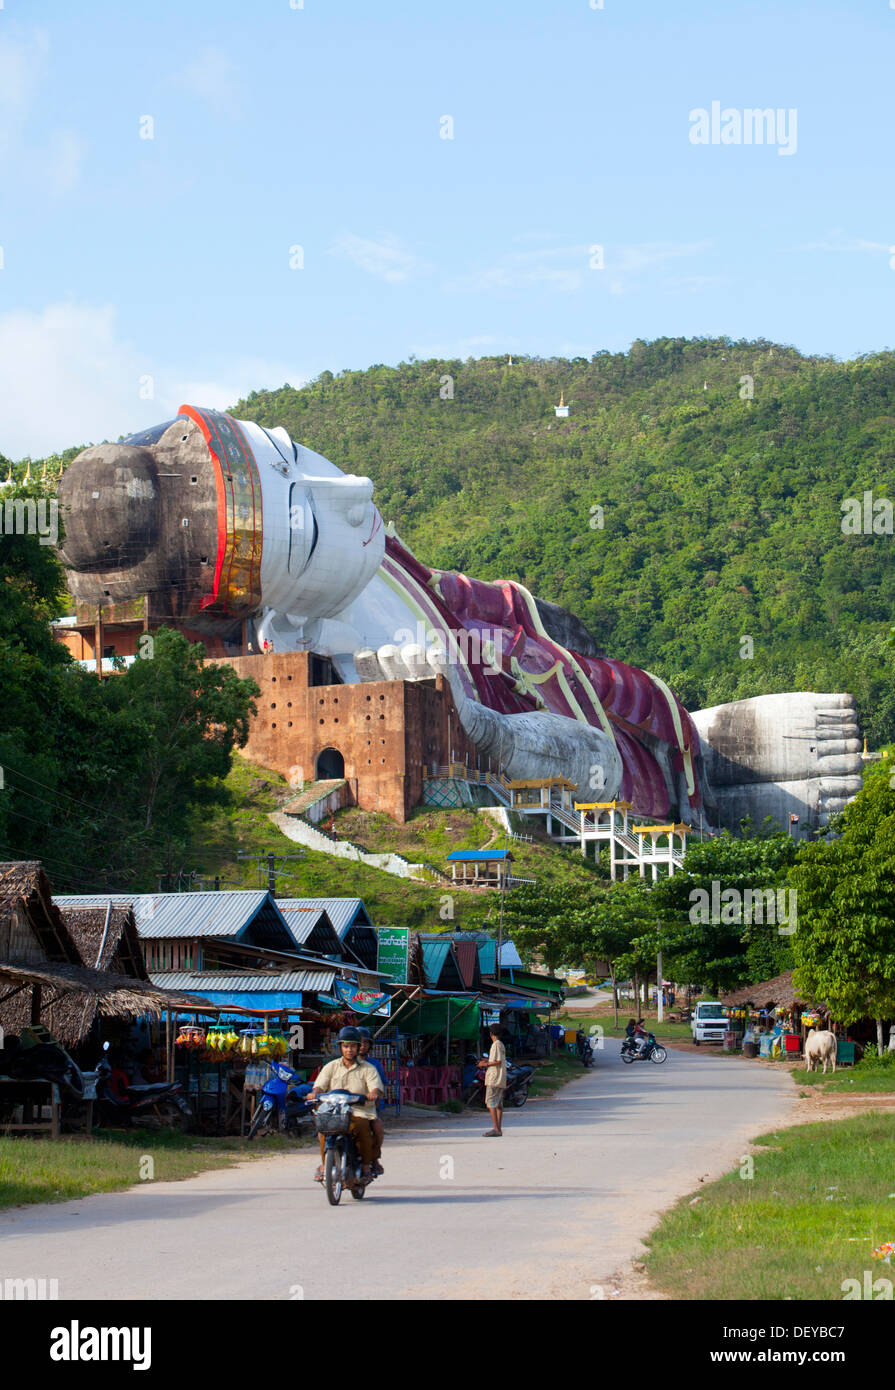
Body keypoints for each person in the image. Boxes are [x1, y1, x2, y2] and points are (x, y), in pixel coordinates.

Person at [306, 1026, 383, 1185]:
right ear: (341, 1047)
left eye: (353, 1046)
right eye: (346, 1046)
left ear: (358, 1047)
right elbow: (319, 1085)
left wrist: (372, 1093)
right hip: (335, 1111)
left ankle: (366, 1164)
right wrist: (315, 1093)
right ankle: (324, 1164)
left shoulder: (368, 1068)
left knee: (362, 1128)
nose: (349, 1050)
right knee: (322, 1130)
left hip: (359, 1110)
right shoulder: (331, 1066)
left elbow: (375, 1086)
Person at [356, 1027, 386, 1176]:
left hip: (368, 1106)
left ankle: (374, 1159)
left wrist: (374, 1095)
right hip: (345, 1106)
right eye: (359, 1042)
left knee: (377, 1129)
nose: (363, 1046)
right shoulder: (337, 1064)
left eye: (366, 1043)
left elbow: (380, 1085)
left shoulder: (374, 1065)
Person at [480, 1024, 506, 1136]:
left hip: (494, 1078)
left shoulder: (495, 1045)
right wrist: (487, 1060)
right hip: (500, 1077)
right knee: (498, 1104)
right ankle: (499, 1129)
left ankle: (495, 1128)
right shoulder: (501, 1044)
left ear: (491, 1034)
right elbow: (498, 1059)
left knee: (491, 1102)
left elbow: (498, 1061)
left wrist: (485, 1064)